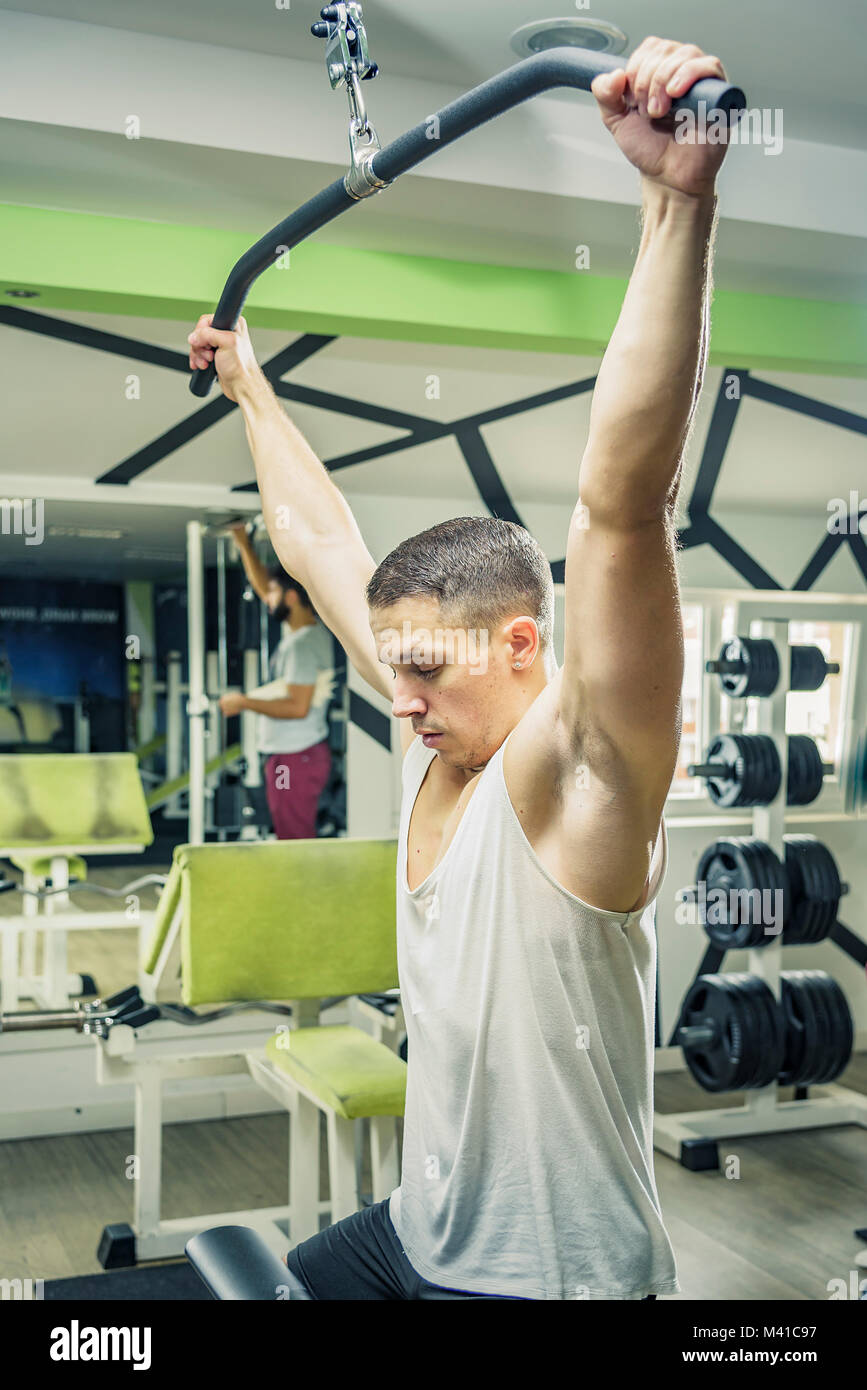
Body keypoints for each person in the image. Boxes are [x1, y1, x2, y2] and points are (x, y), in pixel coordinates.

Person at [190, 36, 730, 1299]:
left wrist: (678, 201)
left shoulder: (578, 778)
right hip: (414, 1228)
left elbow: (622, 502)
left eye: (425, 668)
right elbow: (322, 541)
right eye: (396, 669)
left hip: (549, 1281)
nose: (401, 698)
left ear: (522, 644)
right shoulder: (435, 707)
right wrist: (255, 391)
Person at [218, 532, 335, 839]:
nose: (267, 600)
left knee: (293, 834)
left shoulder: (302, 646)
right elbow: (265, 589)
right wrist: (243, 543)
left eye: (273, 594)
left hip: (296, 758)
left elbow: (297, 707)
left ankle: (302, 889)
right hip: (294, 756)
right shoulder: (303, 634)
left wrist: (243, 703)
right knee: (288, 829)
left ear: (292, 597)